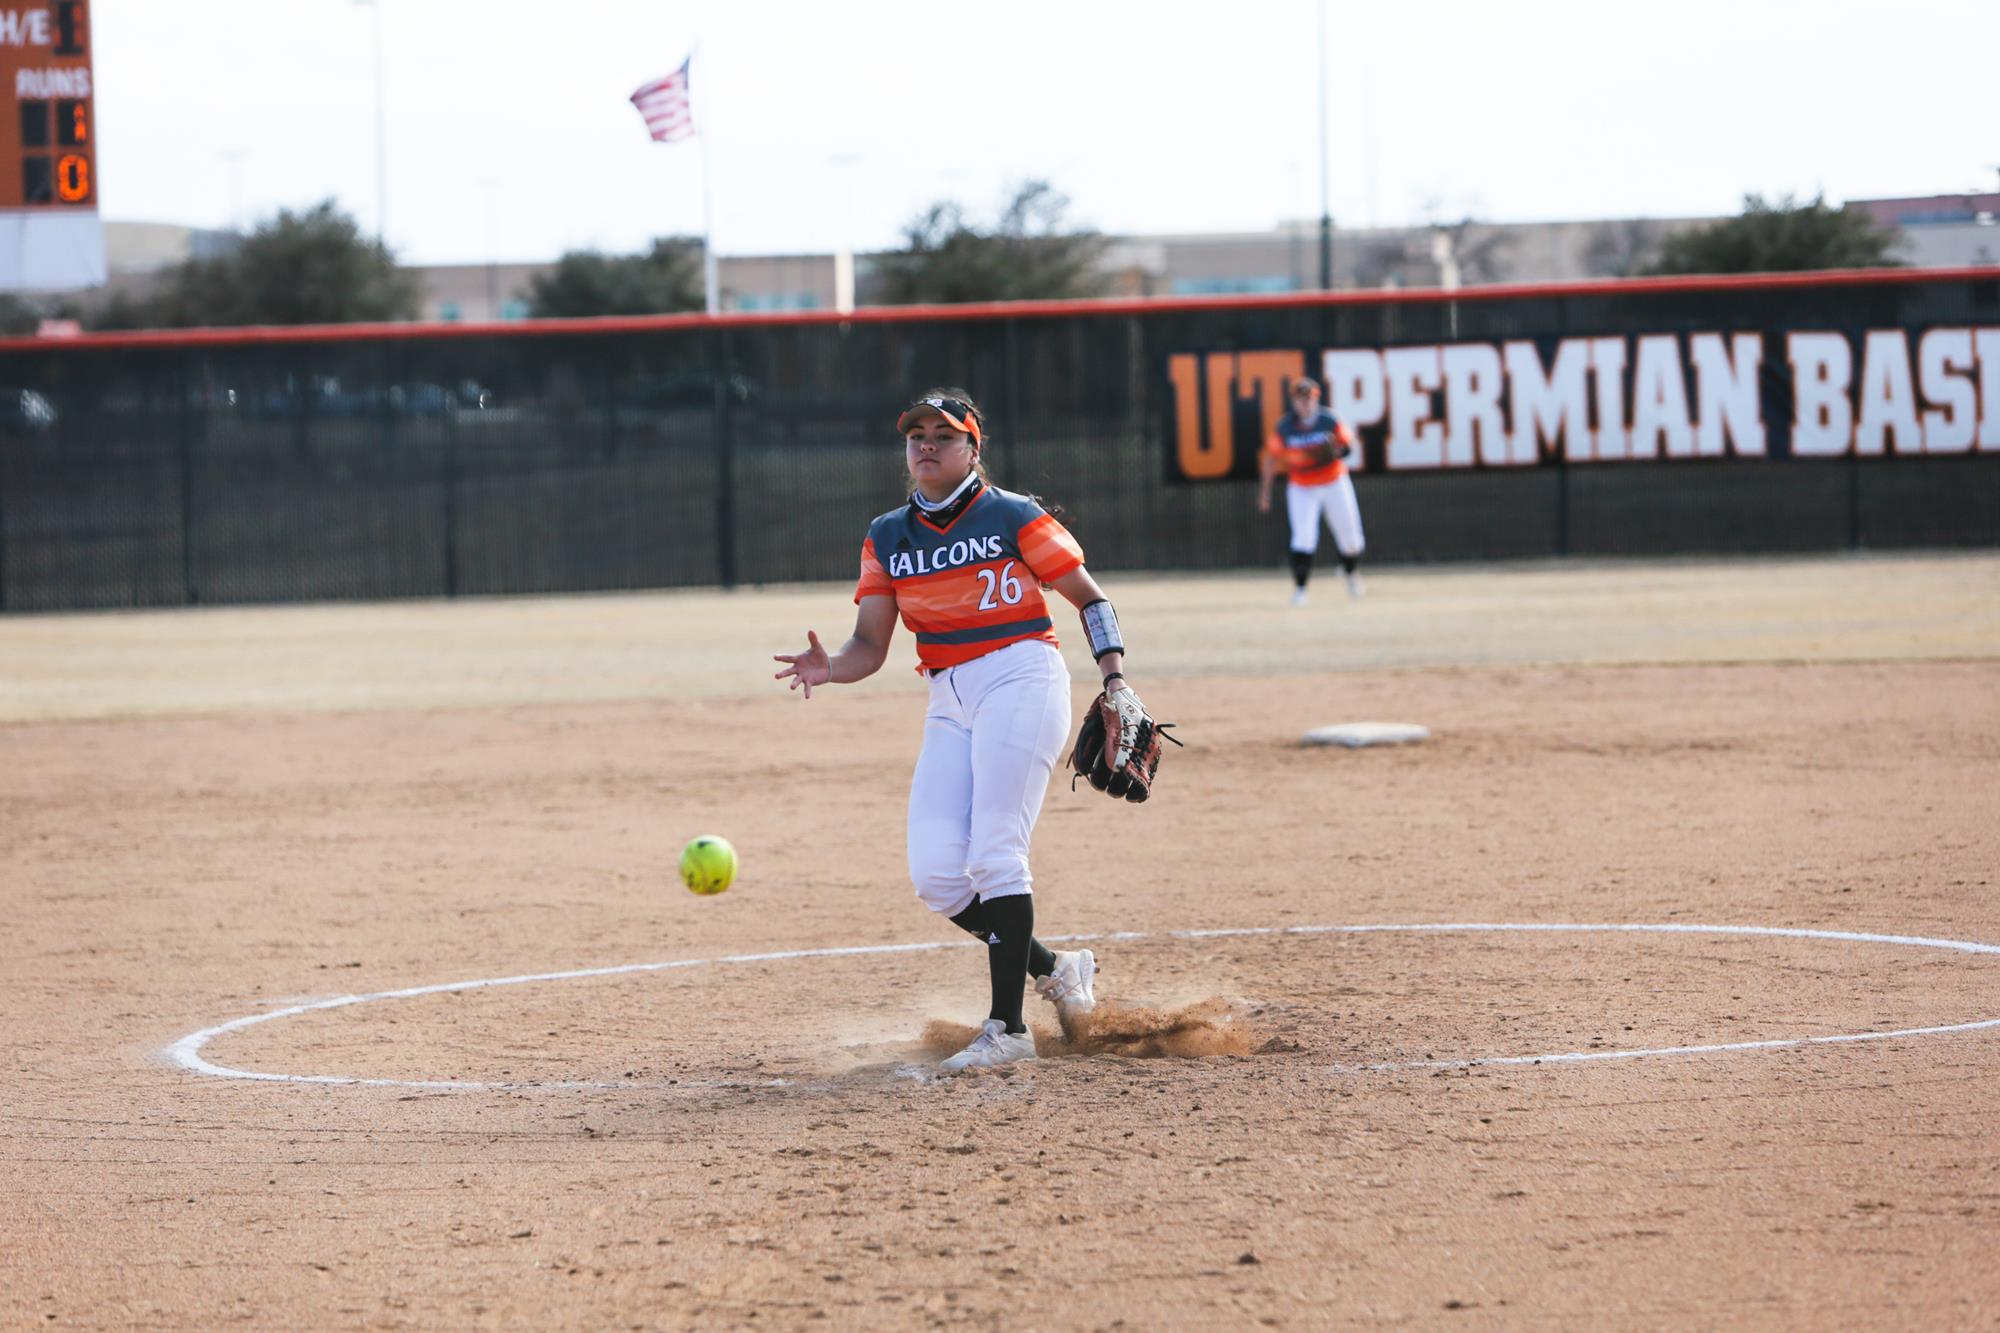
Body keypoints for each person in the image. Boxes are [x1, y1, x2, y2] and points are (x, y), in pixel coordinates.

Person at [773, 389, 1155, 1072]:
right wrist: (829, 666)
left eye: (943, 435)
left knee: (995, 852)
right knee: (940, 876)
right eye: (915, 434)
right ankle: (1057, 970)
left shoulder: (1013, 515)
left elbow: (1090, 598)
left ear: (973, 448)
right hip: (948, 695)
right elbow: (869, 644)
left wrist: (1116, 680)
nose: (925, 444)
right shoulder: (887, 534)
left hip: (1021, 675)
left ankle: (1007, 1029)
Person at [1257, 375, 1366, 605]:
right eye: (1300, 398)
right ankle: (1300, 590)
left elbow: (1349, 447)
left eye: (1309, 398)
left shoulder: (1329, 420)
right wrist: (1264, 491)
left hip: (1334, 482)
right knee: (1303, 538)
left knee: (1352, 541)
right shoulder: (1285, 427)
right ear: (1294, 401)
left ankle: (1349, 572)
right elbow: (1271, 458)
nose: (1305, 403)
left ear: (1316, 399)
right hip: (1302, 487)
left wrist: (1334, 453)